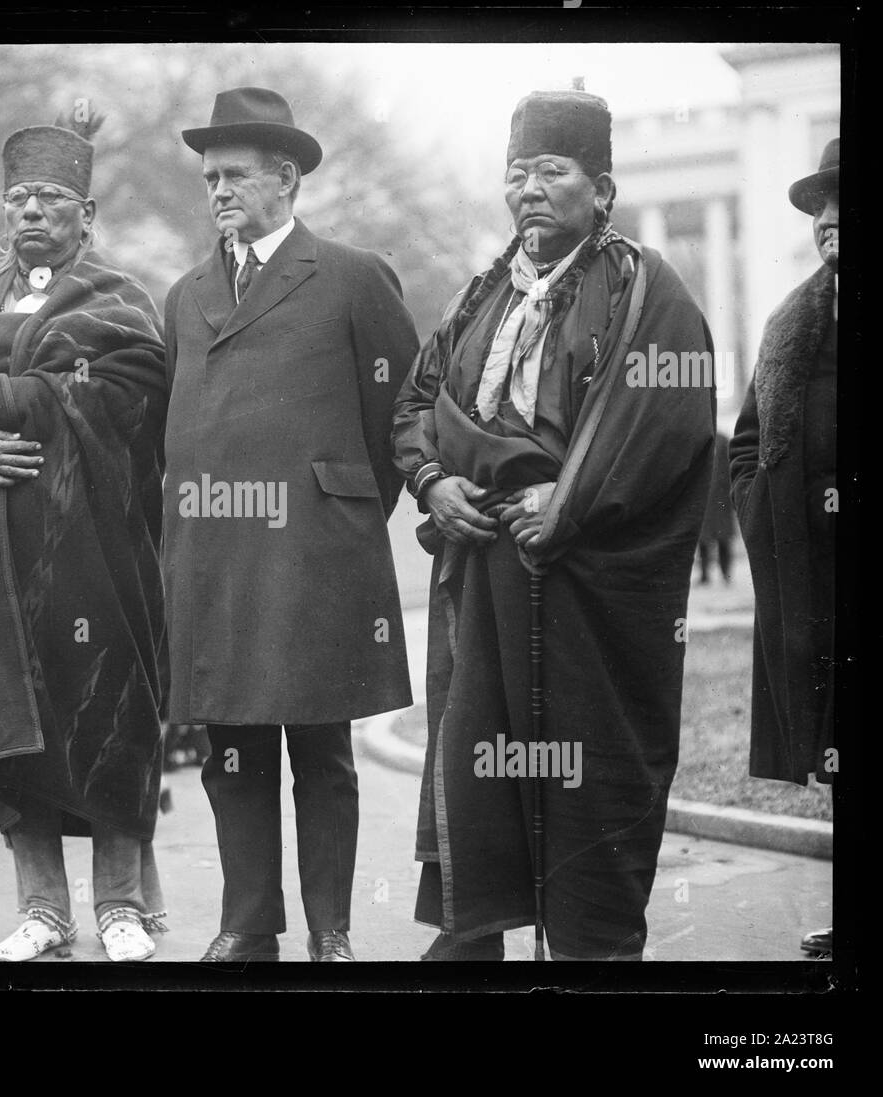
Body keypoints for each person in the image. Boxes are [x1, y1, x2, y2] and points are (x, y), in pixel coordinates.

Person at [391, 90, 715, 960]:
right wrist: (433, 482)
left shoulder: (645, 287)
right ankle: (477, 938)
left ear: (600, 190)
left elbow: (663, 414)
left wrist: (564, 501)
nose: (529, 188)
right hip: (484, 575)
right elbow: (420, 399)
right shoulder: (479, 296)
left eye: (552, 171)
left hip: (585, 590)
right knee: (481, 765)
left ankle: (591, 953)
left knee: (586, 778)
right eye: (517, 173)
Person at [0, 110, 170, 961]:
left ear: (87, 214)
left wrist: (18, 399)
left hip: (97, 545)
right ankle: (43, 908)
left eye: (51, 198)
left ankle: (120, 904)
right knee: (12, 716)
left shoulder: (118, 299)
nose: (32, 213)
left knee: (111, 710)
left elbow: (136, 386)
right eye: (19, 200)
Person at [164, 87, 419, 962]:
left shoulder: (352, 275)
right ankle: (248, 925)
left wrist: (339, 518)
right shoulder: (186, 295)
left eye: (234, 175)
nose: (218, 192)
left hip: (318, 558)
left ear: (287, 178)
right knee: (230, 752)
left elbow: (399, 419)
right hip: (217, 560)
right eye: (208, 178)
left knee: (323, 752)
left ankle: (331, 930)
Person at [729, 138, 839, 959]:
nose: (828, 222)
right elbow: (746, 442)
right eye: (819, 211)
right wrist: (760, 513)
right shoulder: (791, 321)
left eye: (843, 205)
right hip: (813, 577)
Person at [696, 430, 735, 584]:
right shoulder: (700, 439)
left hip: (722, 500)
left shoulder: (724, 441)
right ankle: (704, 575)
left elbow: (731, 468)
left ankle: (726, 574)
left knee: (723, 539)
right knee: (703, 540)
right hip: (704, 501)